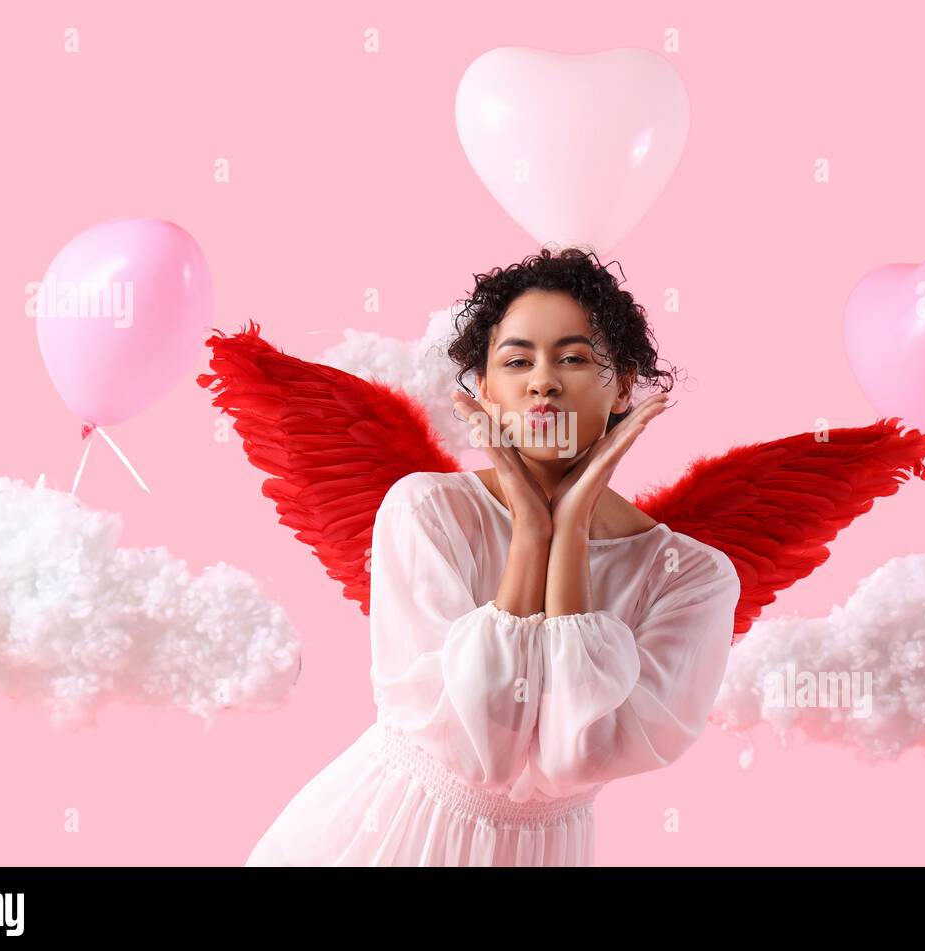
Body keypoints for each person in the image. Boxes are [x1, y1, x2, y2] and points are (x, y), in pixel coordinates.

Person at [245, 247, 741, 866]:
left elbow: (573, 758)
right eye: (516, 360)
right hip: (385, 835)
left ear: (625, 387)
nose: (543, 381)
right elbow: (477, 748)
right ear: (484, 389)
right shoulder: (426, 512)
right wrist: (533, 532)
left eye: (575, 358)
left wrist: (573, 528)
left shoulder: (692, 577)